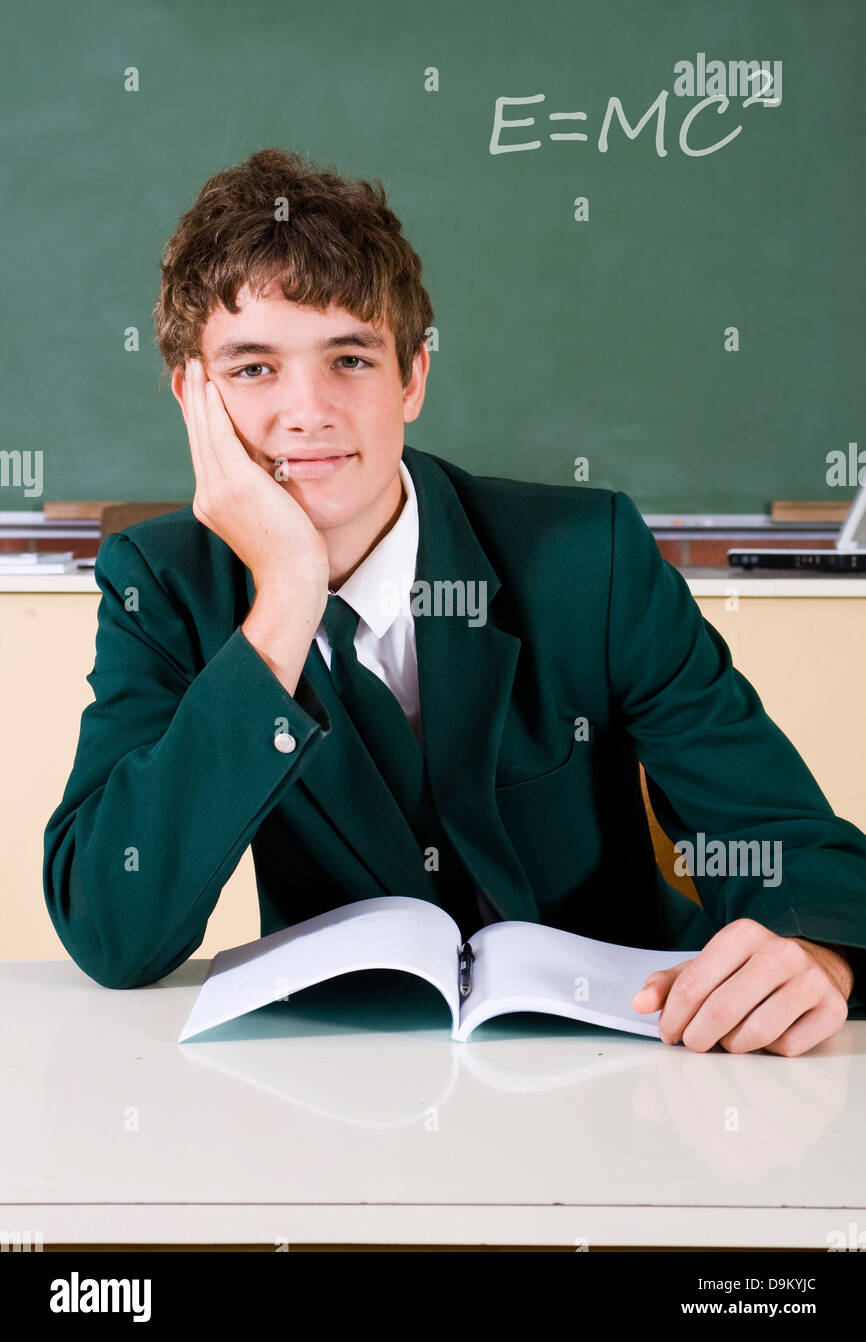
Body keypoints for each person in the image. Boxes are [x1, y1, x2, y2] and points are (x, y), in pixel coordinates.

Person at [44, 147, 866, 1055]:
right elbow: (113, 926)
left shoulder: (587, 558)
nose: (307, 412)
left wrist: (816, 951)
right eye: (251, 369)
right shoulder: (161, 585)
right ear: (192, 397)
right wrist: (282, 600)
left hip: (630, 1060)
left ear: (413, 379)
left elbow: (780, 834)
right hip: (347, 1082)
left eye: (350, 358)